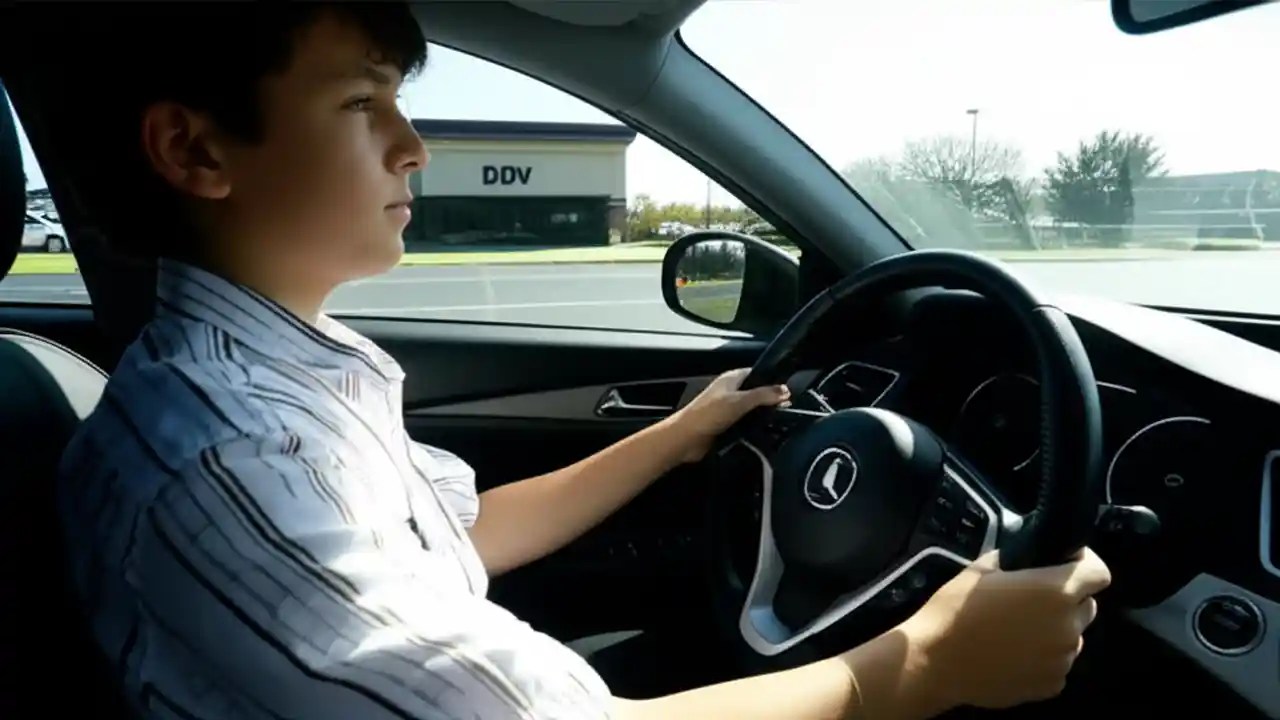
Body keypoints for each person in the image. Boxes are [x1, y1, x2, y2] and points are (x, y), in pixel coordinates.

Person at [55, 4, 1111, 719]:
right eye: (361, 103)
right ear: (195, 150)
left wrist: (676, 436)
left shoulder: (277, 372)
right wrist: (923, 666)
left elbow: (460, 537)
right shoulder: (236, 460)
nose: (413, 145)